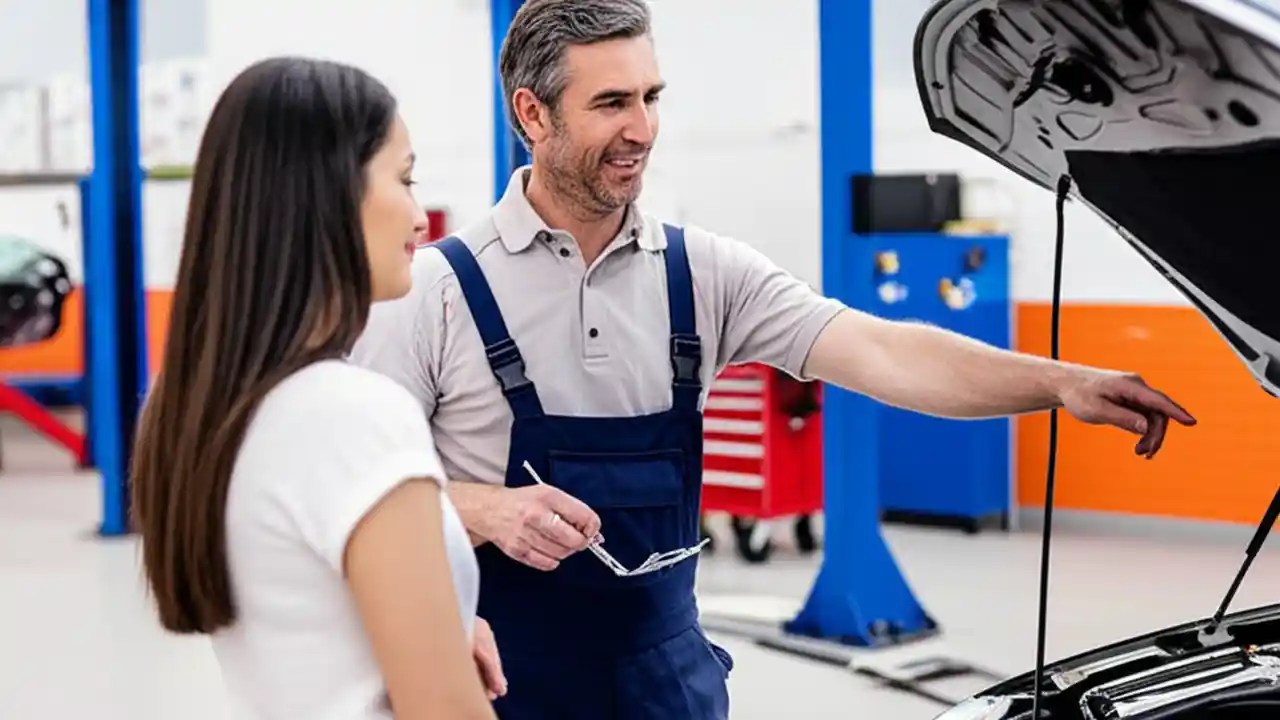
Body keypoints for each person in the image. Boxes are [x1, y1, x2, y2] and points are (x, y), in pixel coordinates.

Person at [350, 0, 1197, 717]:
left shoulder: (705, 273)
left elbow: (885, 351)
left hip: (668, 687)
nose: (641, 129)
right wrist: (486, 510)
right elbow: (358, 490)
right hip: (497, 682)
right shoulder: (432, 290)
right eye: (610, 102)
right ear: (533, 115)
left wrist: (1059, 382)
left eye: (650, 96)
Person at [129, 57, 504, 720]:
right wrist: (443, 672)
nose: (421, 218)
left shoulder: (194, 407)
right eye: (405, 178)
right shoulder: (353, 414)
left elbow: (302, 609)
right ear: (328, 193)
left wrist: (438, 636)